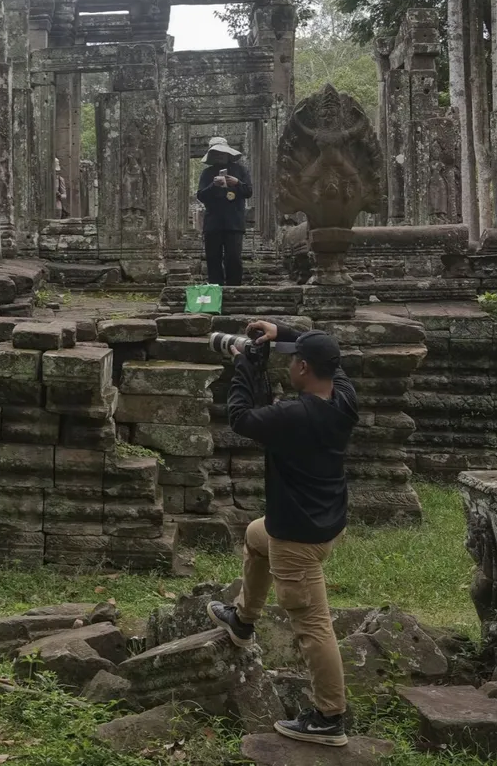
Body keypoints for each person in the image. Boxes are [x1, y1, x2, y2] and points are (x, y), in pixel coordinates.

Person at [207, 320, 356, 747]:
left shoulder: (294, 415)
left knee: (312, 625)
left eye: (292, 359)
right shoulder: (343, 398)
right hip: (321, 522)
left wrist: (242, 365)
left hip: (297, 538)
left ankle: (330, 717)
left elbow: (240, 418)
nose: (288, 364)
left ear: (305, 368)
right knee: (256, 538)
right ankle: (243, 618)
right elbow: (332, 354)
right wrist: (283, 332)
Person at [195, 136, 252, 285]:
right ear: (211, 156)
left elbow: (248, 191)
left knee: (233, 258)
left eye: (221, 152)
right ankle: (215, 290)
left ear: (228, 153)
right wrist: (213, 186)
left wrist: (237, 183)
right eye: (215, 153)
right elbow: (201, 196)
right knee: (213, 258)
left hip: (234, 223)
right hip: (213, 224)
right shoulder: (207, 174)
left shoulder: (241, 170)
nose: (219, 155)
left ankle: (234, 290)